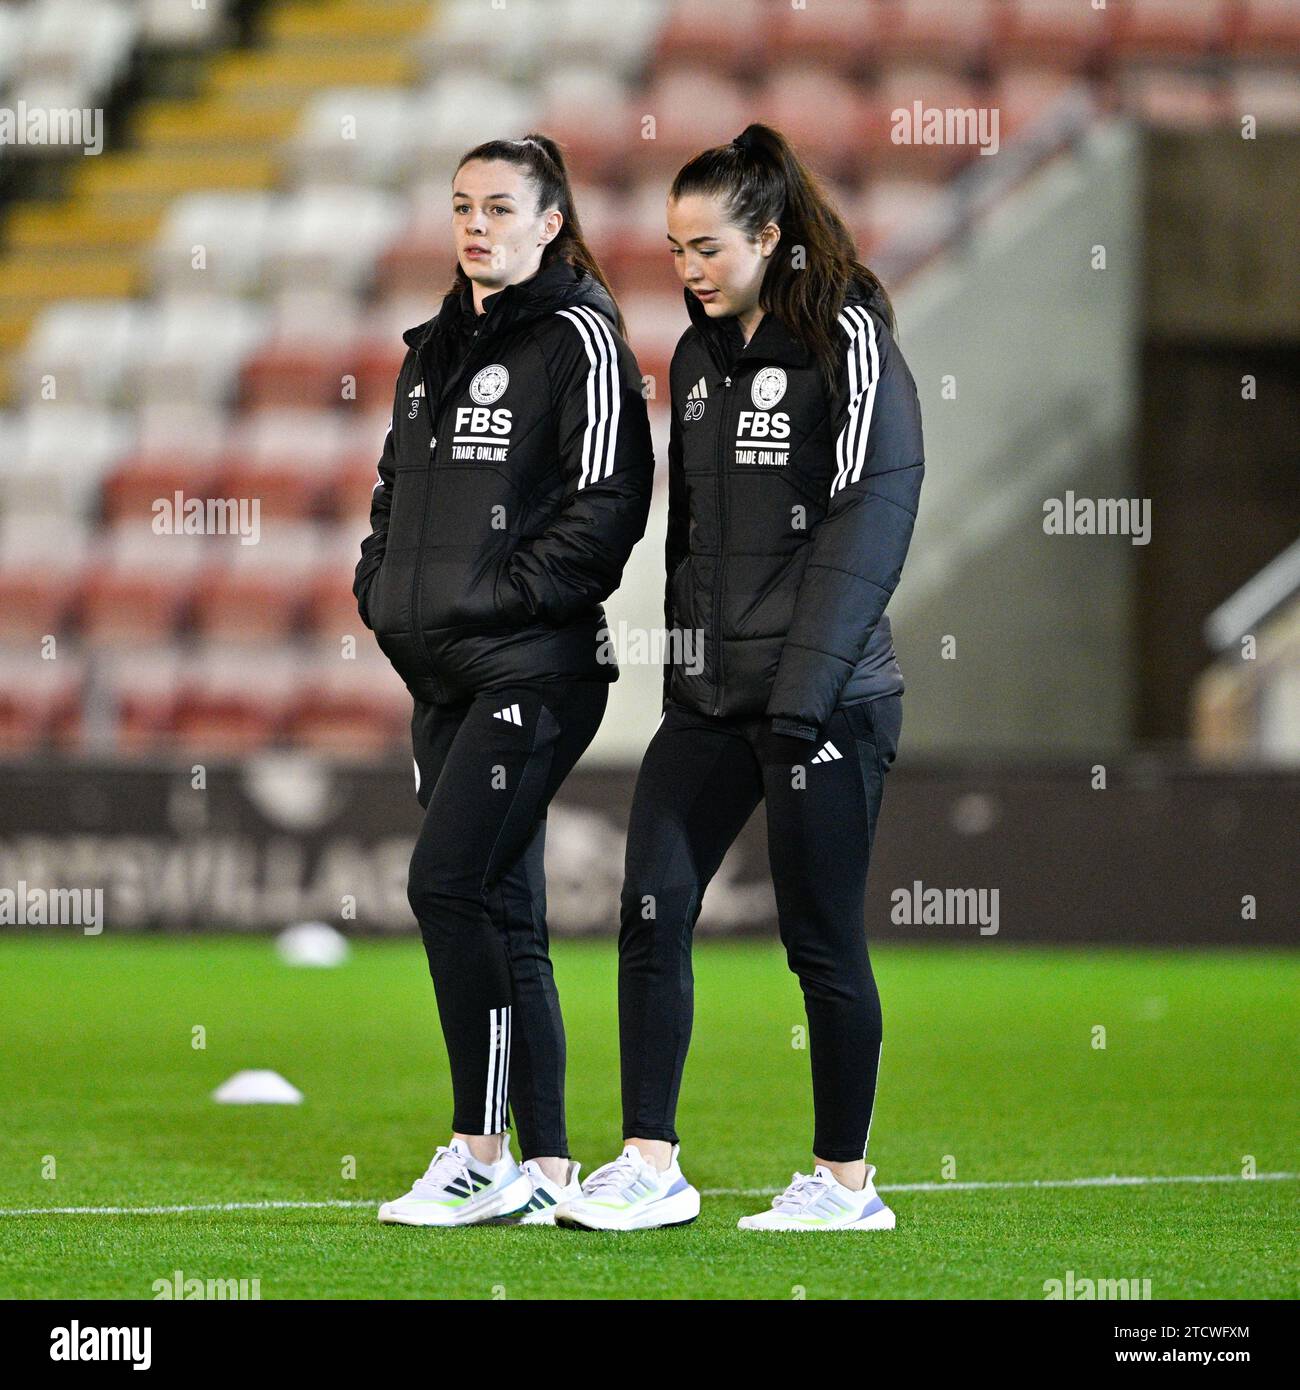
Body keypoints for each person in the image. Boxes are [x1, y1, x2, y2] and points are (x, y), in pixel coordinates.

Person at [557, 124, 924, 1233]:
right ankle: (649, 1160)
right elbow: (694, 538)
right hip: (711, 699)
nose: (689, 271)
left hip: (826, 702)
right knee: (651, 907)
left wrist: (806, 692)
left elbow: (872, 515)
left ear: (770, 236)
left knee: (819, 943)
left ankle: (845, 1185)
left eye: (708, 248)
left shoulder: (850, 337)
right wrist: (686, 669)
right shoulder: (700, 351)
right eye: (674, 251)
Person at [353, 133, 654, 1226]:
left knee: (446, 885)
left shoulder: (581, 338)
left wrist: (494, 598)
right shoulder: (431, 345)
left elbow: (610, 504)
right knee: (508, 912)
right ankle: (548, 1168)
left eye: (499, 207)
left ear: (549, 224)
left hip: (536, 668)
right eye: (460, 206)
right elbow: (394, 492)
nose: (475, 223)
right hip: (441, 677)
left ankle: (480, 1150)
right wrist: (381, 588)